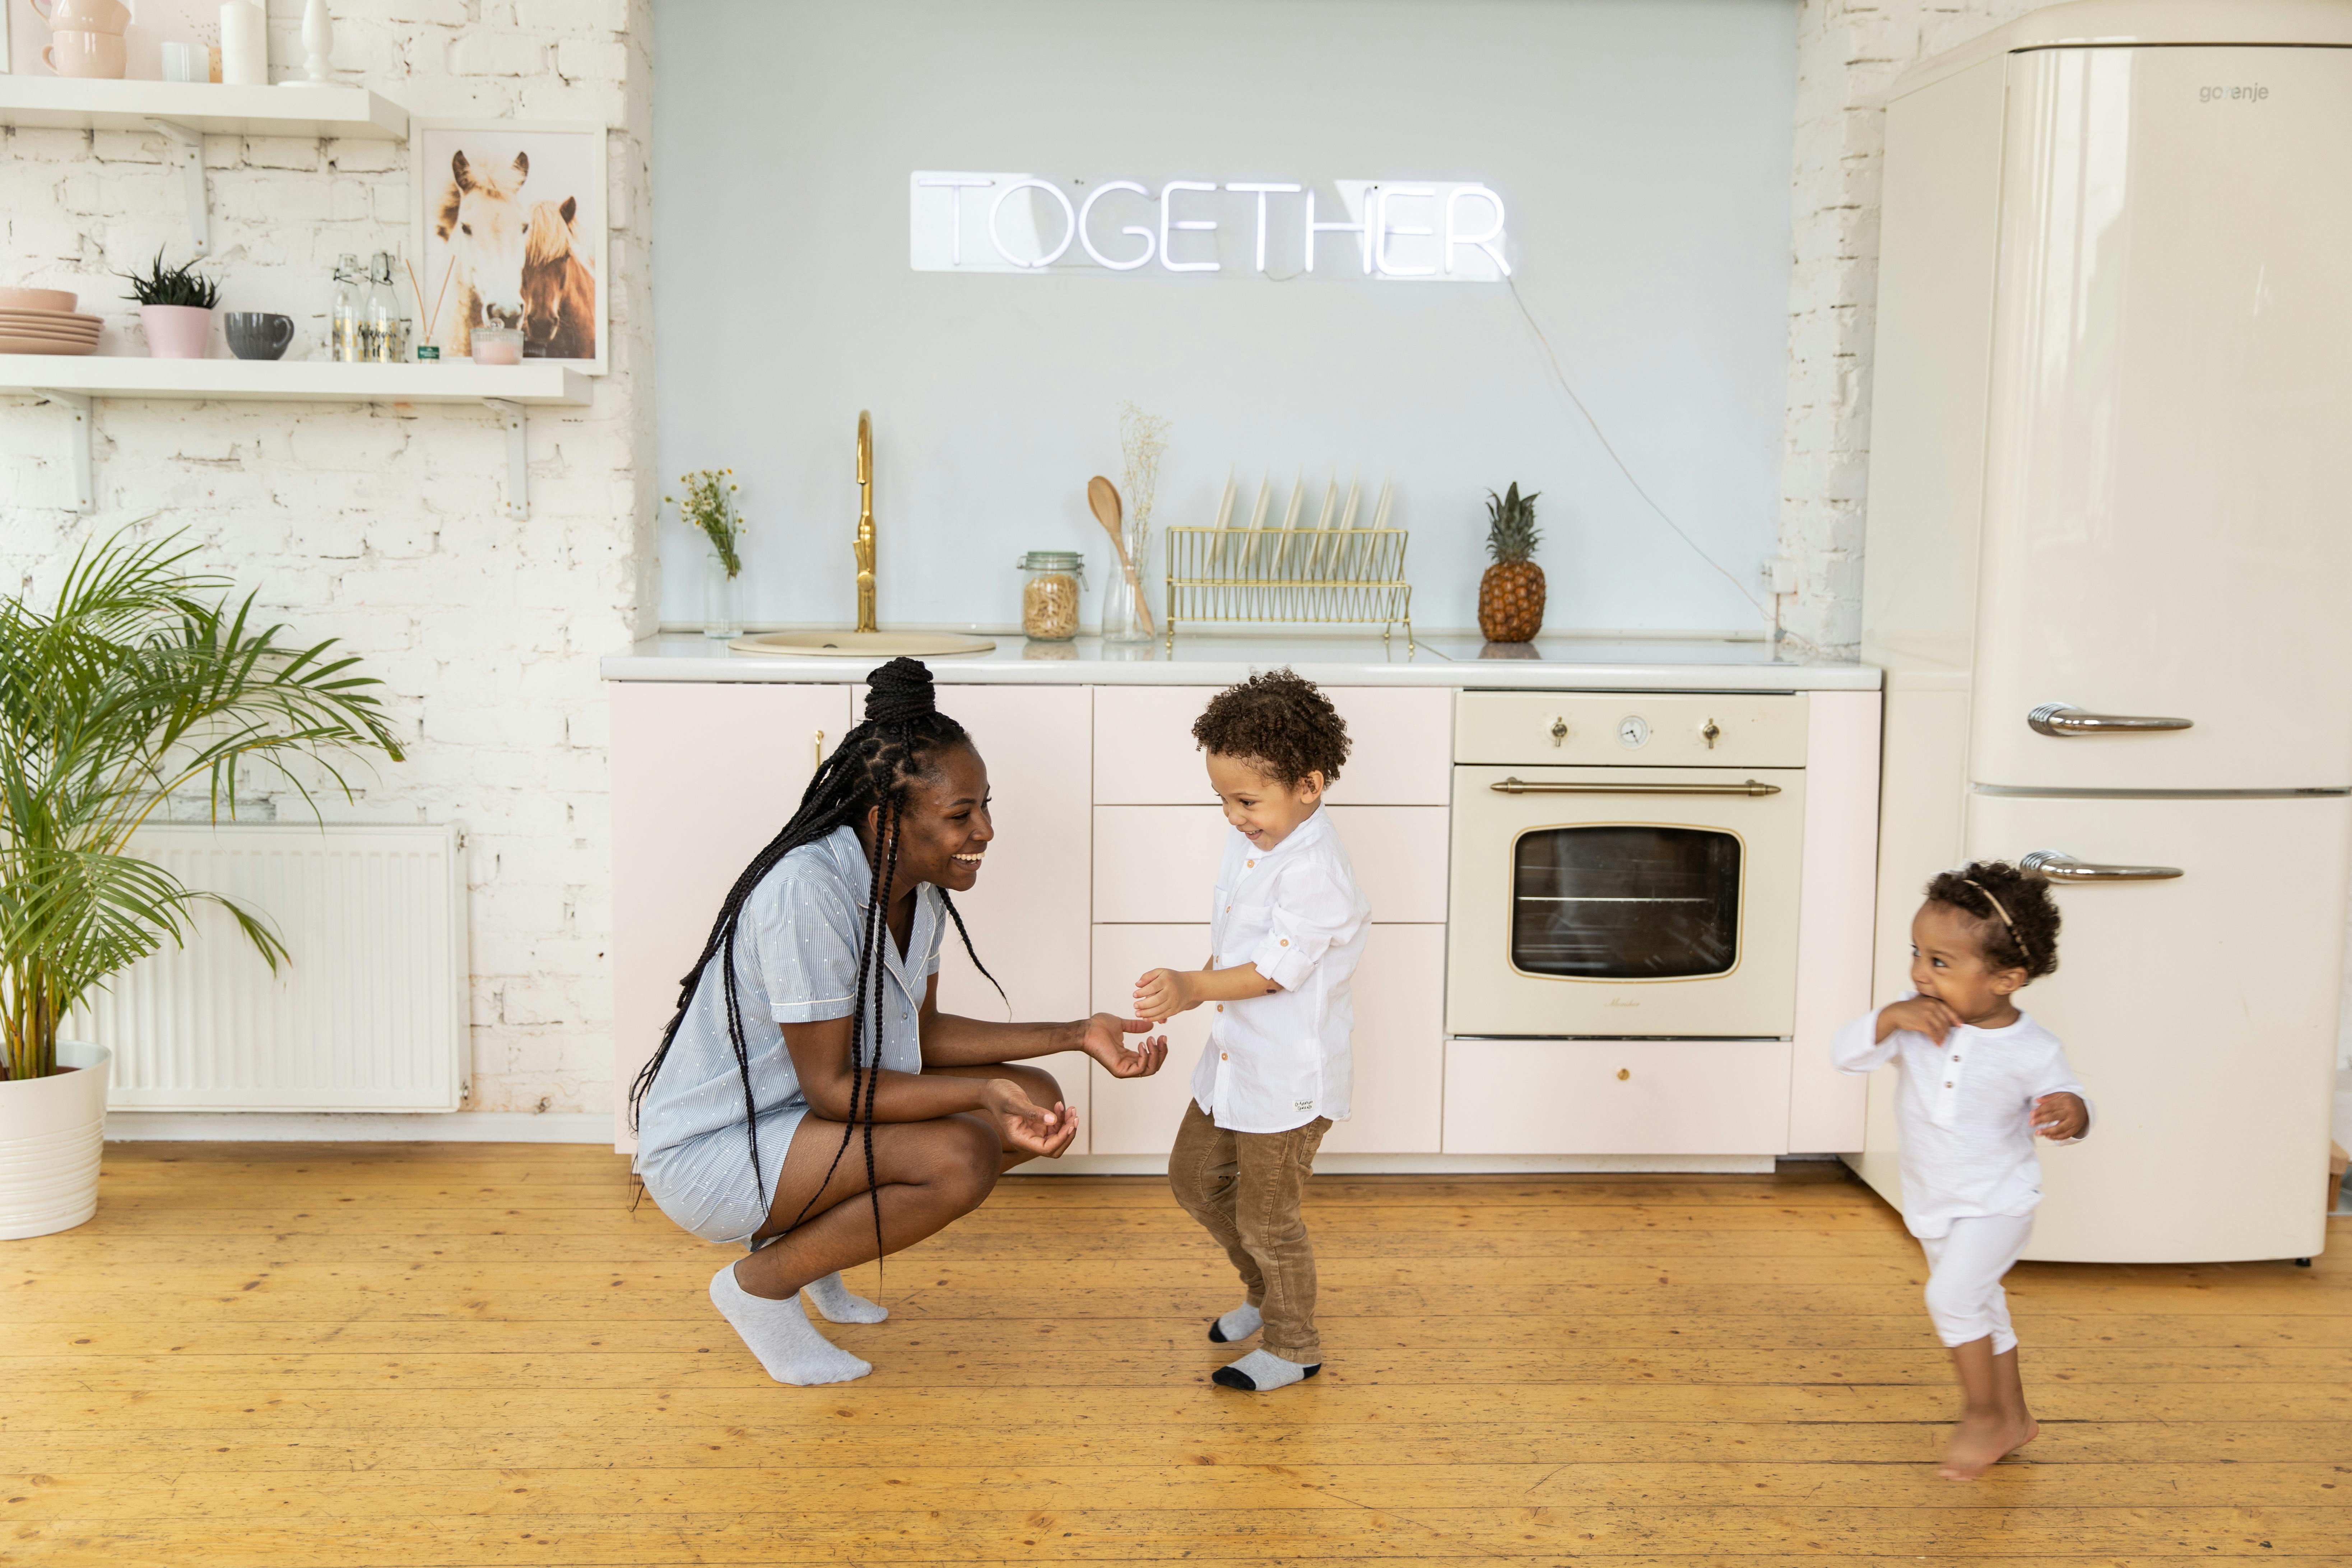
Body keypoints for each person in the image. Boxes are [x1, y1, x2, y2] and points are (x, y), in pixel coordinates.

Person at [630, 658, 1169, 1386]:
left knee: (1037, 1093)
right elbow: (832, 1091)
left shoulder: (915, 885)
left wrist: (1077, 1035)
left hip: (798, 1126)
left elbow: (923, 1037)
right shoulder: (808, 894)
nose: (984, 829)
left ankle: (817, 1252)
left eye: (984, 806)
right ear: (887, 819)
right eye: (959, 815)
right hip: (717, 1150)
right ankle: (760, 1286)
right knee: (959, 1157)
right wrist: (980, 1097)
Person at [1133, 670, 1369, 1392]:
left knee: (1268, 1217)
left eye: (1246, 800)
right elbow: (1240, 942)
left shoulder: (1316, 871)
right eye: (1223, 801)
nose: (1233, 815)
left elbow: (1272, 972)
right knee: (1194, 1179)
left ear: (1309, 785)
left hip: (1288, 1080)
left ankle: (1295, 1345)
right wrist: (1184, 995)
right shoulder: (1260, 841)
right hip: (1238, 1059)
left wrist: (1193, 985)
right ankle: (1262, 1293)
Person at [1833, 861, 2092, 1479]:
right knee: (1984, 1308)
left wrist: (2071, 1114)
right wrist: (1887, 1020)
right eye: (1917, 954)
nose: (1920, 973)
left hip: (1997, 1202)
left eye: (1941, 963)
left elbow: (2071, 1104)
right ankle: (2015, 1417)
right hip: (1933, 1204)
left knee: (1952, 1298)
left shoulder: (2032, 1049)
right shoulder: (1914, 1020)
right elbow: (1844, 1056)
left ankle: (1982, 1414)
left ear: (2007, 978)